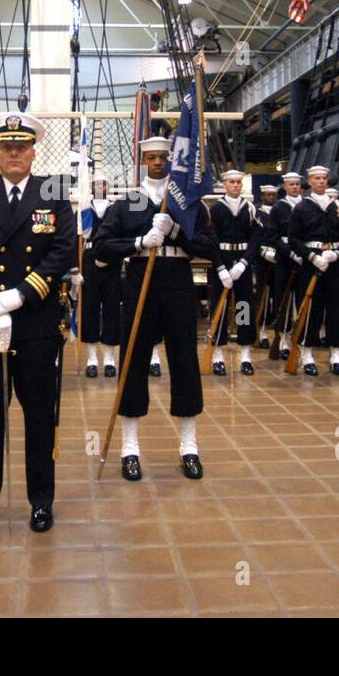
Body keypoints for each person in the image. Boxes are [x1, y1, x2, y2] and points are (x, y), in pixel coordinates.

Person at [0, 112, 73, 533]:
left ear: (33, 151)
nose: (14, 154)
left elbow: (62, 254)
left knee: (40, 415)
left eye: (21, 147)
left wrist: (18, 296)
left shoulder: (54, 190)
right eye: (7, 147)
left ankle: (41, 500)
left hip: (36, 322)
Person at [92, 136, 217, 482]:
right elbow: (100, 247)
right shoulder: (129, 202)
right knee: (132, 360)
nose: (159, 162)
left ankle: (189, 446)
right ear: (142, 159)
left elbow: (209, 245)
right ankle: (129, 448)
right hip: (138, 282)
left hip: (177, 280)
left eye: (164, 157)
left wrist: (177, 230)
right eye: (151, 157)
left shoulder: (187, 203)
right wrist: (138, 242)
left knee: (183, 360)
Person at [289, 166, 339, 376]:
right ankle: (307, 353)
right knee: (310, 309)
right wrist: (311, 256)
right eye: (317, 178)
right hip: (311, 263)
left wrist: (338, 253)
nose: (321, 182)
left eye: (324, 178)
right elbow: (294, 239)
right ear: (310, 181)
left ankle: (336, 354)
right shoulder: (302, 208)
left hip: (334, 262)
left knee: (336, 309)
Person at [207, 169, 260, 376]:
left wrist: (245, 262)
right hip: (222, 261)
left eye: (238, 182)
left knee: (244, 306)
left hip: (242, 264)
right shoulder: (216, 209)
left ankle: (245, 353)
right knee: (218, 306)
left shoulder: (250, 209)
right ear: (224, 184)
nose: (236, 185)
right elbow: (211, 239)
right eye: (231, 182)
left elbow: (256, 237)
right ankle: (217, 354)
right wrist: (220, 267)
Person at [79, 173, 123, 378]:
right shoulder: (83, 209)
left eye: (103, 184)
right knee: (90, 308)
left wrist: (112, 255)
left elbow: (122, 236)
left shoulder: (116, 209)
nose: (99, 187)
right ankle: (91, 358)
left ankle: (109, 358)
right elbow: (75, 239)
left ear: (108, 186)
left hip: (112, 262)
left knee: (112, 307)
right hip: (89, 261)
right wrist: (75, 269)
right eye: (95, 184)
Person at [268, 171, 306, 359]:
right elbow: (272, 236)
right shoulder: (278, 208)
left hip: (304, 257)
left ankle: (299, 338)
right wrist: (290, 252)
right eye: (291, 184)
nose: (295, 187)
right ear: (284, 186)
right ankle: (282, 337)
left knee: (302, 299)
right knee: (282, 299)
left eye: (297, 184)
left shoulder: (307, 206)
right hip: (284, 258)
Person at [254, 184, 280, 347]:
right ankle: (258, 331)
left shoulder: (280, 211)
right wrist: (263, 252)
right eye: (267, 195)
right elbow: (255, 236)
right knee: (259, 296)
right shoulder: (257, 213)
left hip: (278, 258)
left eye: (273, 195)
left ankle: (278, 330)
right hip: (261, 259)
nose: (270, 198)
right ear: (262, 196)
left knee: (278, 295)